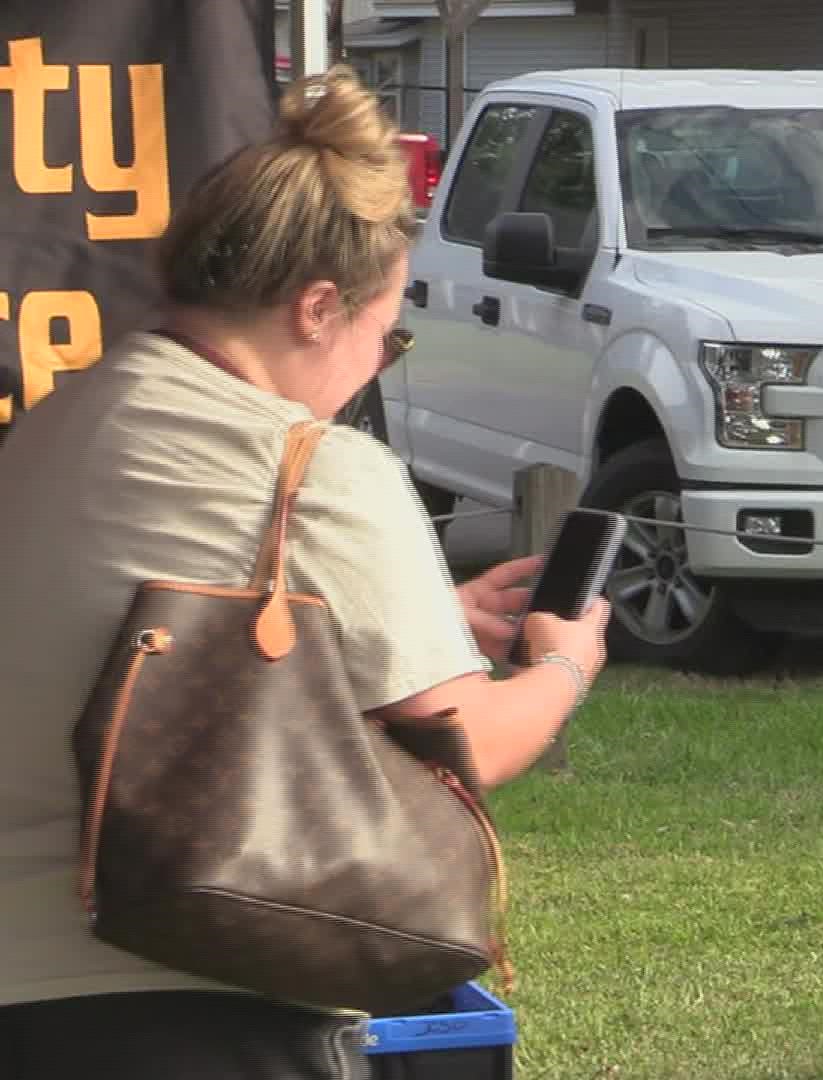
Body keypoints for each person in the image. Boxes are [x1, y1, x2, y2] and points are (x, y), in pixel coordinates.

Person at [0, 67, 609, 1079]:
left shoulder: (58, 425)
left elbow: (140, 629)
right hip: (193, 992)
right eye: (389, 334)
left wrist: (422, 613)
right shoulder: (309, 465)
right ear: (320, 307)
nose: (380, 362)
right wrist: (561, 666)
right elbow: (466, 746)